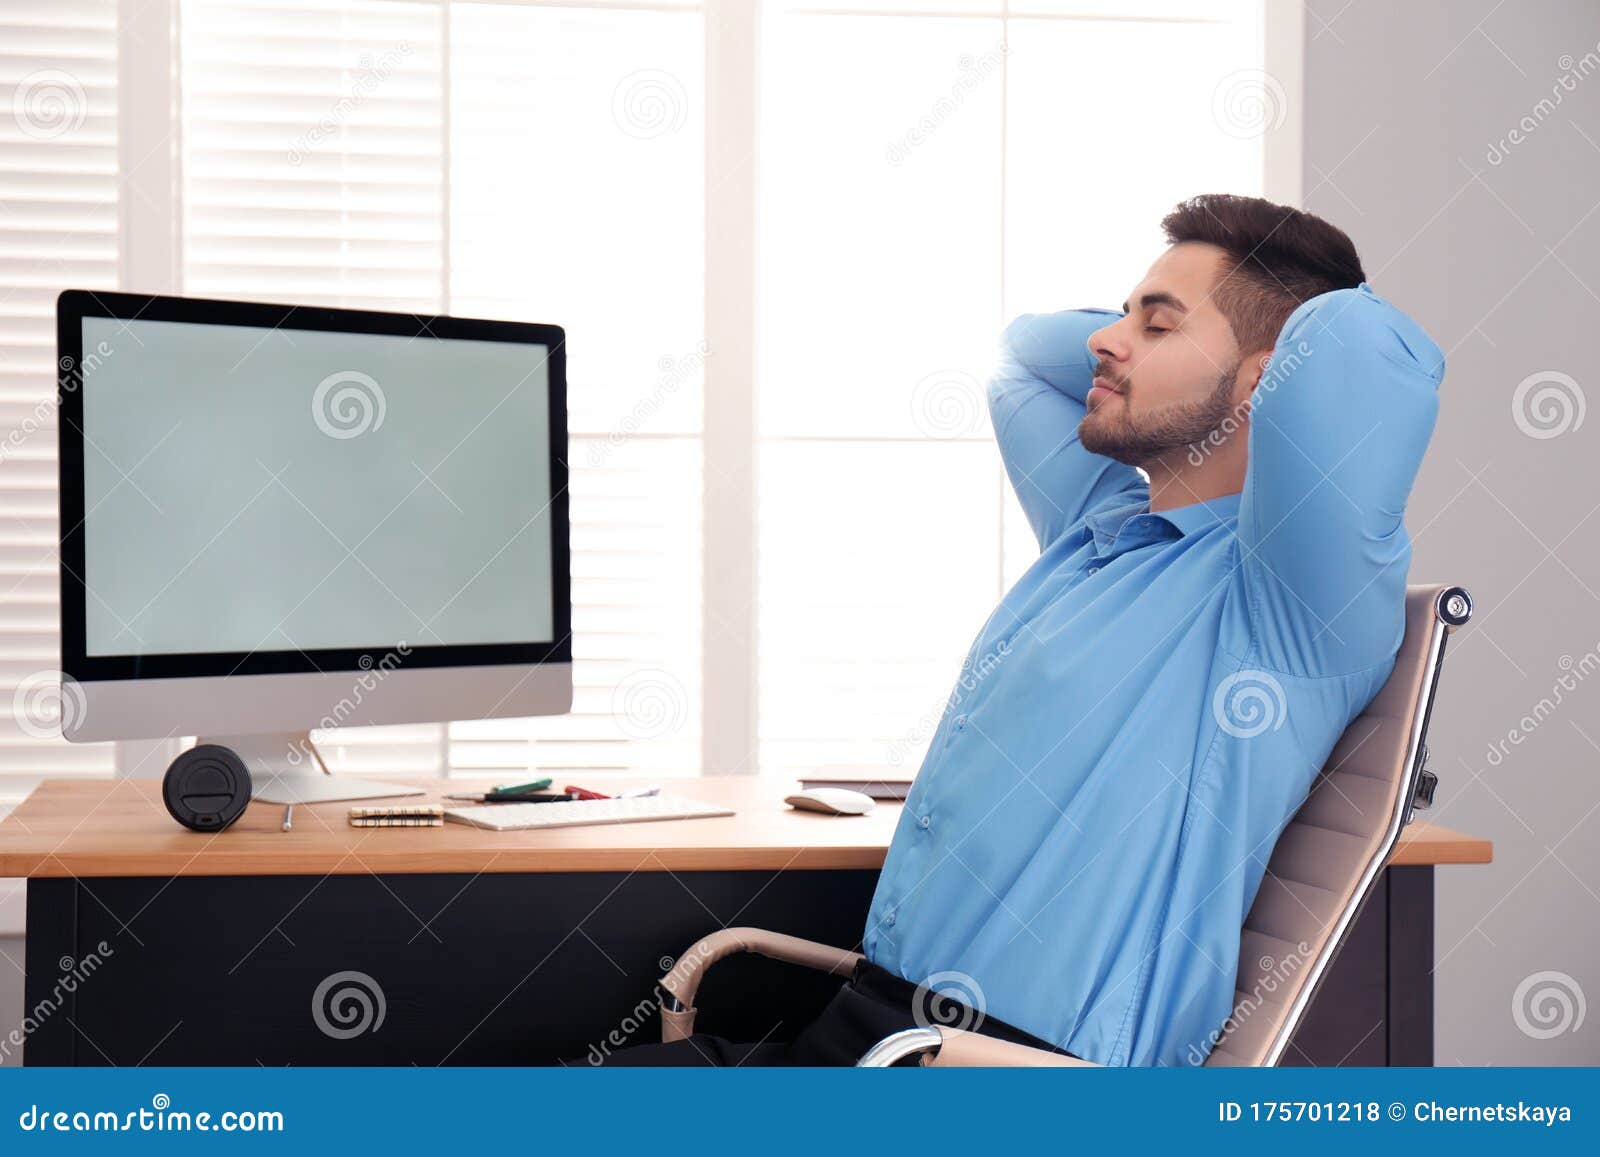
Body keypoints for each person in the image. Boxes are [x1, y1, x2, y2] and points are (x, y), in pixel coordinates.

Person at [600, 193, 1444, 1066]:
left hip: (997, 1076)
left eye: (1157, 326)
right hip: (871, 1034)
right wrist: (1160, 323)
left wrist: (1297, 298)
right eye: (1122, 316)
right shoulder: (1105, 523)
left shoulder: (1291, 601)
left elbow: (1354, 352)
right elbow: (1020, 356)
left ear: (1269, 381)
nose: (1105, 342)